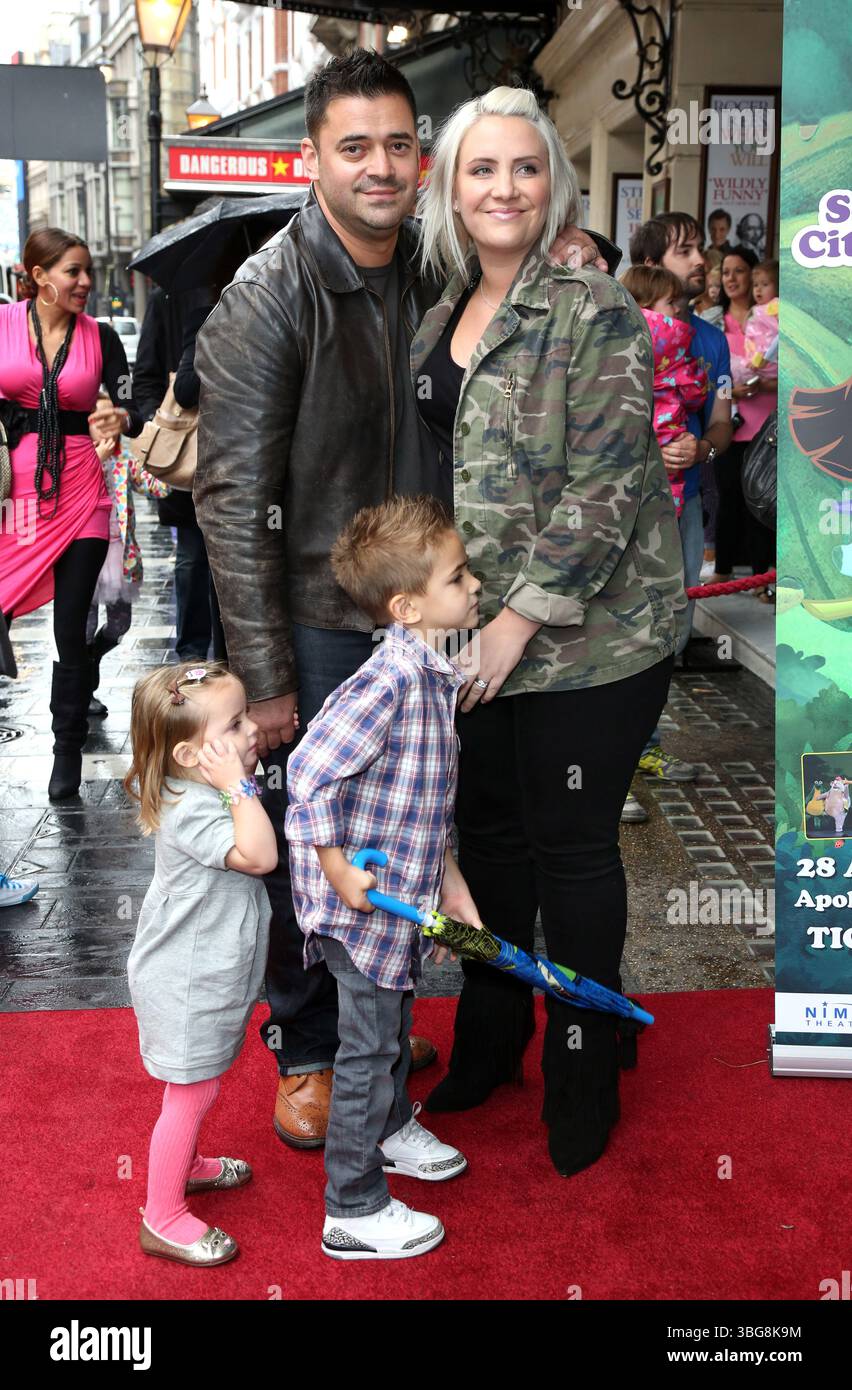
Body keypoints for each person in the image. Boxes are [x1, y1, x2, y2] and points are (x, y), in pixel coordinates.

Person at [194, 48, 618, 1149]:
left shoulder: (431, 273)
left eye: (396, 144)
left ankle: (369, 1015)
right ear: (313, 159)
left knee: (401, 830)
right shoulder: (269, 294)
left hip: (420, 614)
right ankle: (310, 1048)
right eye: (355, 148)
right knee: (309, 839)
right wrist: (269, 678)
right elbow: (234, 501)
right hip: (315, 622)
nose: (380, 167)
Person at [411, 86, 685, 1177]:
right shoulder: (440, 317)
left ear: (555, 186)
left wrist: (518, 624)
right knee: (489, 845)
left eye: (525, 169)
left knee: (569, 850)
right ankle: (492, 1032)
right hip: (473, 639)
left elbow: (610, 485)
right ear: (453, 189)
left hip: (596, 639)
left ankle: (581, 1061)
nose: (504, 188)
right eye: (482, 169)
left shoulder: (595, 308)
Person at [286, 495, 475, 1259]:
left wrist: (451, 883)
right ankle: (352, 1207)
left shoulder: (431, 675)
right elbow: (306, 775)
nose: (474, 588)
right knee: (364, 1050)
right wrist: (337, 870)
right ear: (407, 605)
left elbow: (423, 800)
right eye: (459, 579)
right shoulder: (386, 684)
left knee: (393, 1024)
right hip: (360, 907)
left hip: (401, 900)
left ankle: (392, 1130)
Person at [124, 661, 276, 1267]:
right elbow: (261, 856)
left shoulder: (200, 785)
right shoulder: (196, 806)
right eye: (235, 724)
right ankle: (161, 1217)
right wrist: (240, 787)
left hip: (207, 968)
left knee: (199, 1081)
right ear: (190, 755)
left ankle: (186, 1166)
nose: (251, 732)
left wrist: (237, 776)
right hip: (186, 979)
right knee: (191, 1091)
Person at [0, 228, 143, 799]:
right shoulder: (4, 326)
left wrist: (121, 418)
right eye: (73, 272)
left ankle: (66, 749)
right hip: (20, 492)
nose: (85, 282)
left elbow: (137, 398)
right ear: (39, 277)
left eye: (88, 271)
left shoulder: (101, 336)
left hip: (84, 486)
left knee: (70, 624)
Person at [626, 212, 737, 820]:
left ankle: (647, 744)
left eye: (700, 248)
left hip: (688, 502)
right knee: (622, 630)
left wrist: (703, 448)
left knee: (671, 631)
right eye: (685, 251)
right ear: (650, 267)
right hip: (628, 507)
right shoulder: (621, 328)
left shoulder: (713, 338)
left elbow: (722, 422)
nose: (701, 260)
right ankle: (608, 760)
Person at [132, 284, 216, 661]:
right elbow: (151, 378)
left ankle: (230, 658)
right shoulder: (170, 298)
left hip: (244, 454)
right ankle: (192, 656)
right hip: (190, 457)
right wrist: (160, 423)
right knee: (192, 558)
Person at [86, 422, 171, 718]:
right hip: (85, 555)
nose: (107, 429)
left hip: (120, 556)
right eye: (99, 422)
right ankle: (84, 692)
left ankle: (92, 657)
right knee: (82, 628)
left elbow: (159, 486)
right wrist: (94, 459)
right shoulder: (77, 458)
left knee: (120, 625)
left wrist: (159, 449)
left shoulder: (124, 461)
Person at [620, 265, 709, 518]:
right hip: (670, 447)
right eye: (671, 302)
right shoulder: (674, 341)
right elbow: (695, 393)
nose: (678, 308)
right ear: (645, 304)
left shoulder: (613, 339)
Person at [716, 244, 777, 597]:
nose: (732, 279)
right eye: (726, 272)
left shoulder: (772, 318)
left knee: (764, 503)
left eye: (740, 271)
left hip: (767, 426)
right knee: (729, 499)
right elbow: (708, 373)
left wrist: (769, 383)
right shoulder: (712, 321)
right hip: (730, 425)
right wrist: (730, 392)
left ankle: (762, 578)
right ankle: (723, 571)